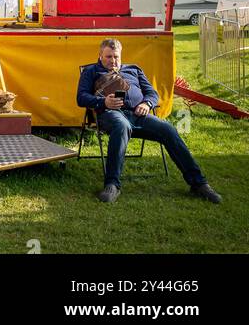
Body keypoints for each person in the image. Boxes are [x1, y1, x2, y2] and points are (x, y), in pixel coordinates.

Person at [76, 37, 222, 204]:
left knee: (168, 129)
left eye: (116, 56)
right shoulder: (91, 71)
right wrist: (103, 102)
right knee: (121, 126)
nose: (113, 60)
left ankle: (199, 183)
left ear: (121, 55)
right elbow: (81, 98)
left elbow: (152, 93)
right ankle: (112, 185)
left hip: (139, 115)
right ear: (100, 55)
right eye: (108, 57)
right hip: (110, 114)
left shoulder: (133, 70)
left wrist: (147, 103)